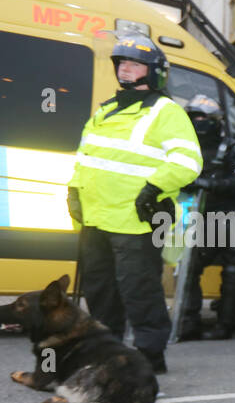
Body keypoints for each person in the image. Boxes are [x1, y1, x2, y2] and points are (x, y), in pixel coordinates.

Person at [66, 34, 202, 374]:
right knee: (100, 291)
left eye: (134, 63)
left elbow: (187, 162)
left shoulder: (165, 111)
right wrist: (73, 190)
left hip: (135, 219)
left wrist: (152, 188)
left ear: (153, 72)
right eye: (121, 62)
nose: (125, 68)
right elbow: (85, 157)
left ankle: (150, 355)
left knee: (140, 291)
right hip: (96, 218)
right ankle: (107, 351)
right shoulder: (105, 110)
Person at [175, 94, 235, 341]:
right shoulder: (189, 148)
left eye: (202, 117)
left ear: (215, 120)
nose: (198, 122)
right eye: (194, 117)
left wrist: (206, 183)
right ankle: (188, 322)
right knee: (189, 266)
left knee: (233, 269)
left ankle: (226, 325)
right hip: (205, 216)